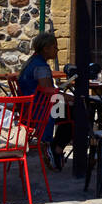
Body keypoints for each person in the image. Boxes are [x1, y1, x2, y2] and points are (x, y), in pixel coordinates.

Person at [18, 31, 73, 161]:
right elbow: (50, 93)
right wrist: (70, 98)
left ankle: (56, 147)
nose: (57, 50)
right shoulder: (41, 67)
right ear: (46, 48)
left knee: (70, 111)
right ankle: (55, 148)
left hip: (28, 109)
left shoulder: (31, 62)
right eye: (55, 47)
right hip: (40, 112)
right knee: (76, 113)